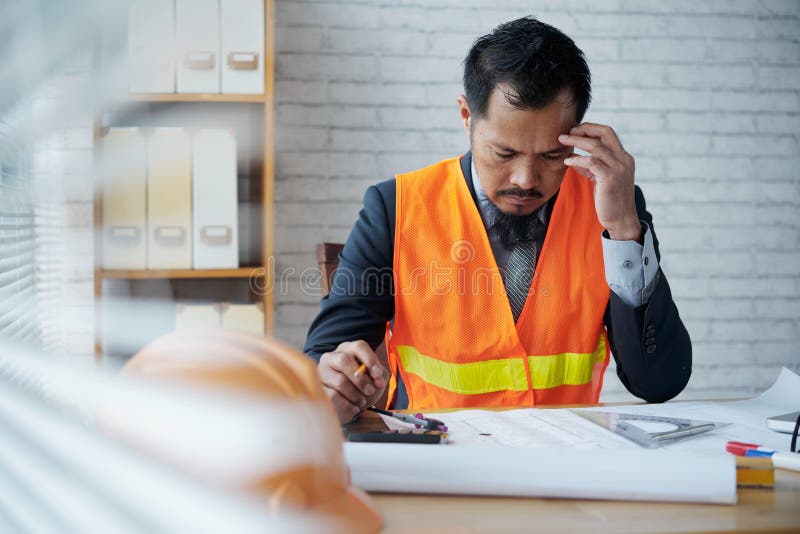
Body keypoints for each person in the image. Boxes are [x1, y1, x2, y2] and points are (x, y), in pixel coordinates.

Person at [304, 17, 692, 424]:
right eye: (504, 154)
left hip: (565, 462)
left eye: (551, 156)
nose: (526, 180)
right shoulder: (395, 207)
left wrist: (625, 233)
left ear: (578, 134)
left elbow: (659, 382)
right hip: (438, 458)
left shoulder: (611, 208)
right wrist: (329, 381)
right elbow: (324, 358)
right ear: (467, 116)